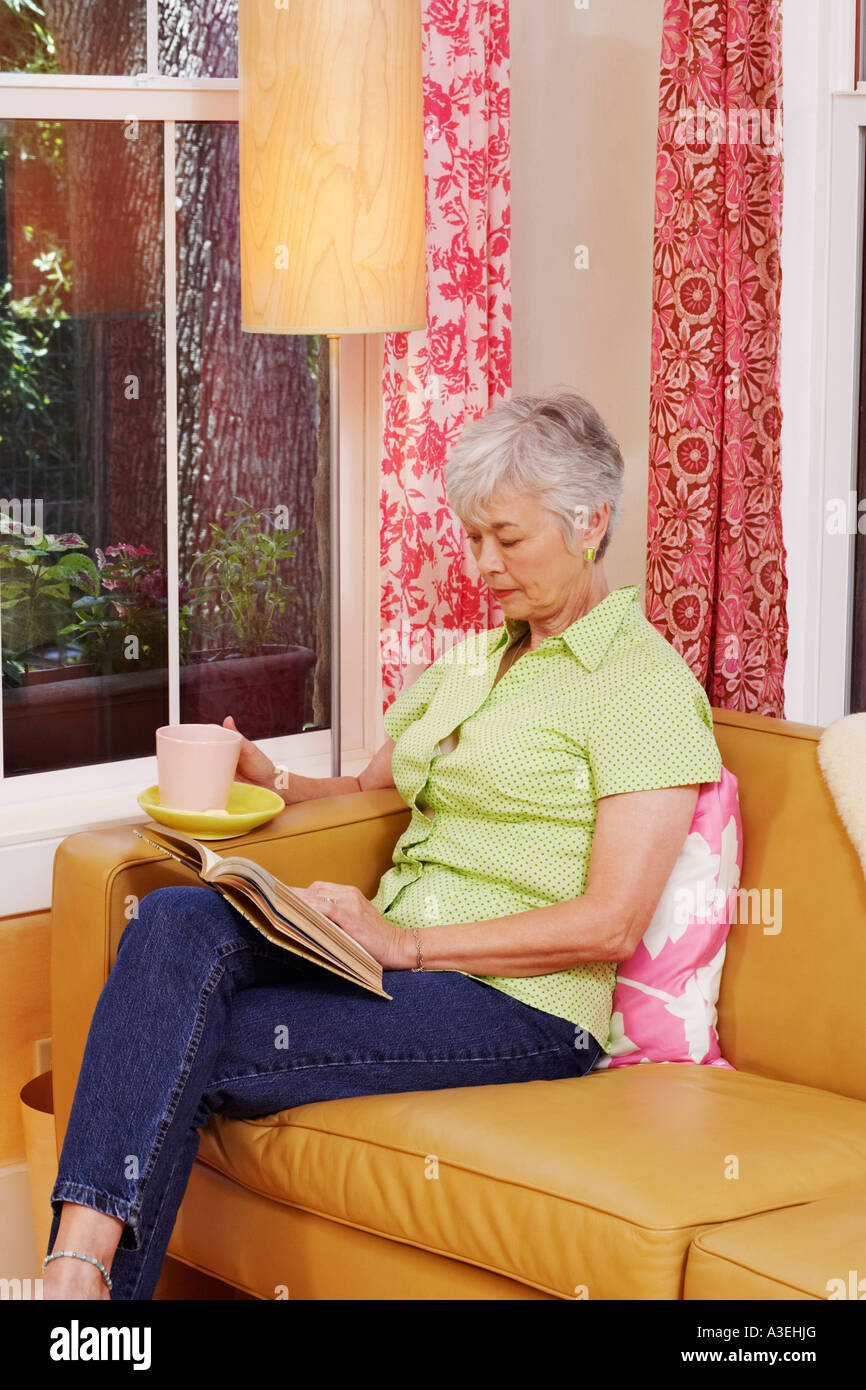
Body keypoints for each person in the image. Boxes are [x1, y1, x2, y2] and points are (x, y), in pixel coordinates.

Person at [43, 391, 721, 1299]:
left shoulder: (641, 684)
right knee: (172, 918)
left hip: (520, 1006)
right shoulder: (477, 663)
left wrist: (407, 944)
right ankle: (73, 1281)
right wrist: (271, 780)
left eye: (507, 539)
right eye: (472, 537)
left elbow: (611, 923)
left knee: (186, 1034)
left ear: (590, 523)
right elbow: (369, 789)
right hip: (385, 970)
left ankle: (77, 1303)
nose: (482, 563)